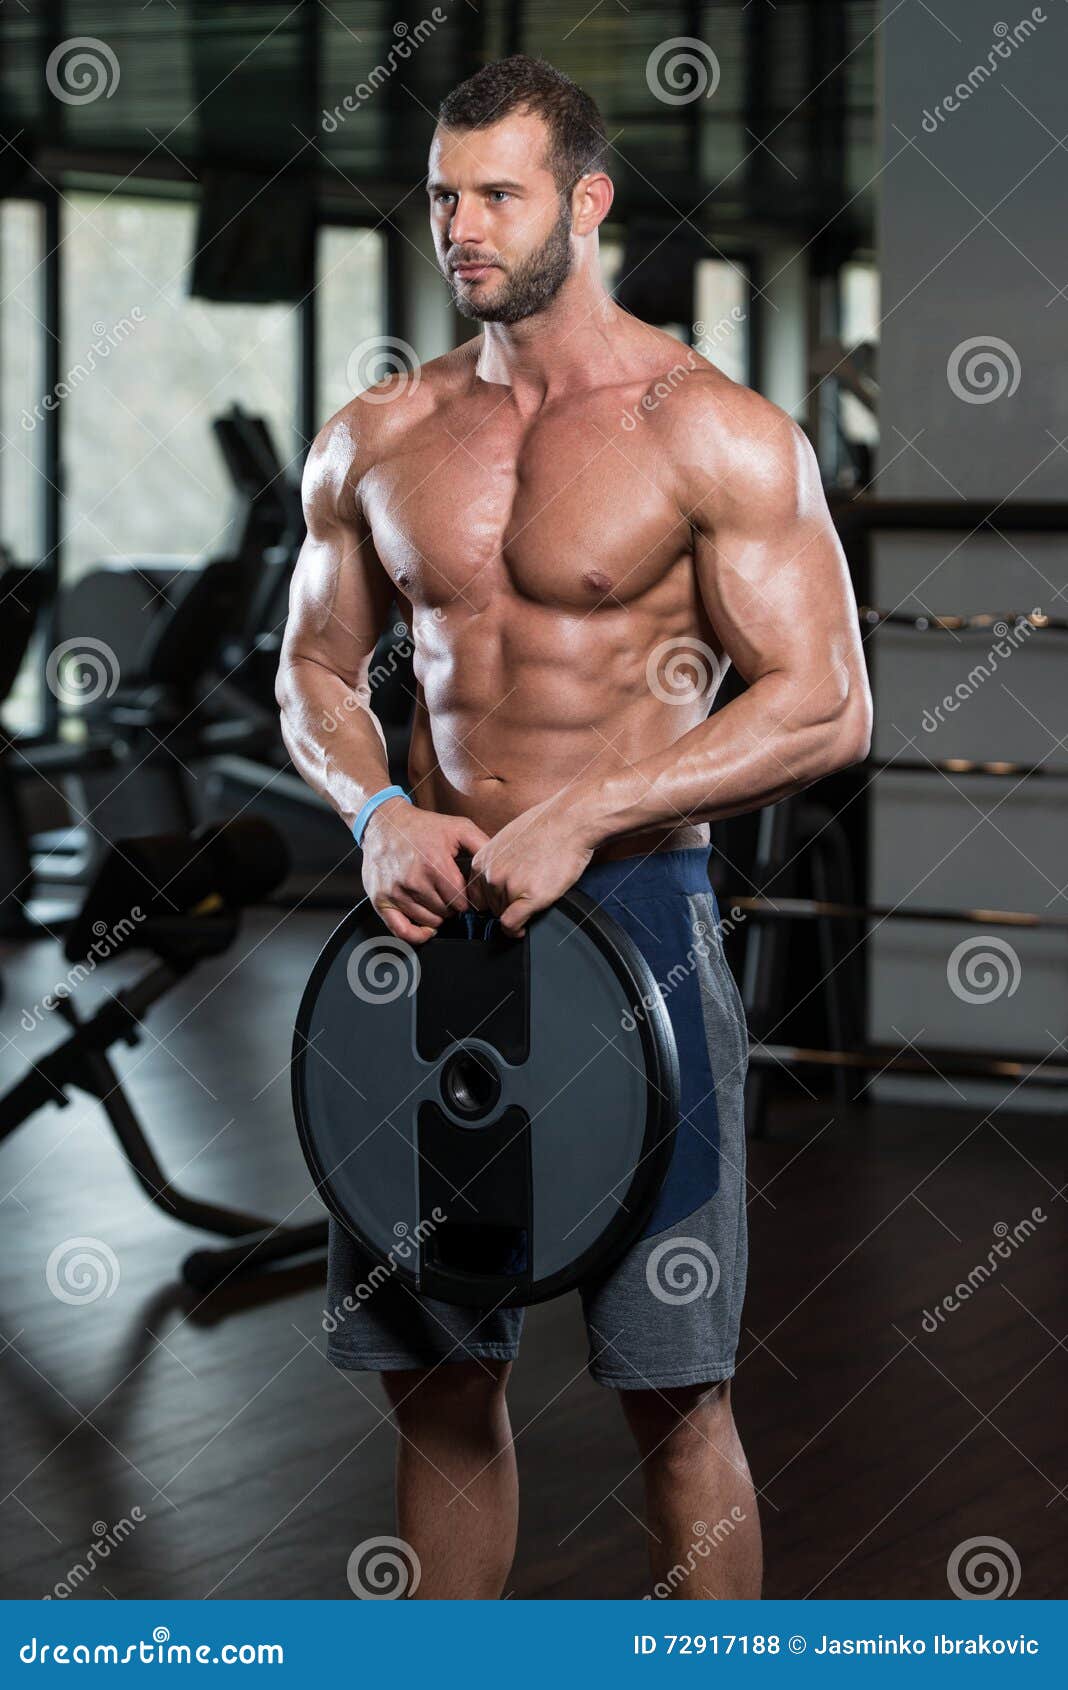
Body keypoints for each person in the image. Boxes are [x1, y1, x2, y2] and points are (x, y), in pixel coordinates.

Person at [276, 54, 872, 1600]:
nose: (461, 226)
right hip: (429, 925)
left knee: (674, 1391)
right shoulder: (379, 434)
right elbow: (314, 672)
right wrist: (379, 807)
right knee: (438, 1374)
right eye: (441, 195)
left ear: (588, 202)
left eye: (499, 193)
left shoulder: (714, 431)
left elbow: (826, 705)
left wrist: (592, 807)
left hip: (637, 934)